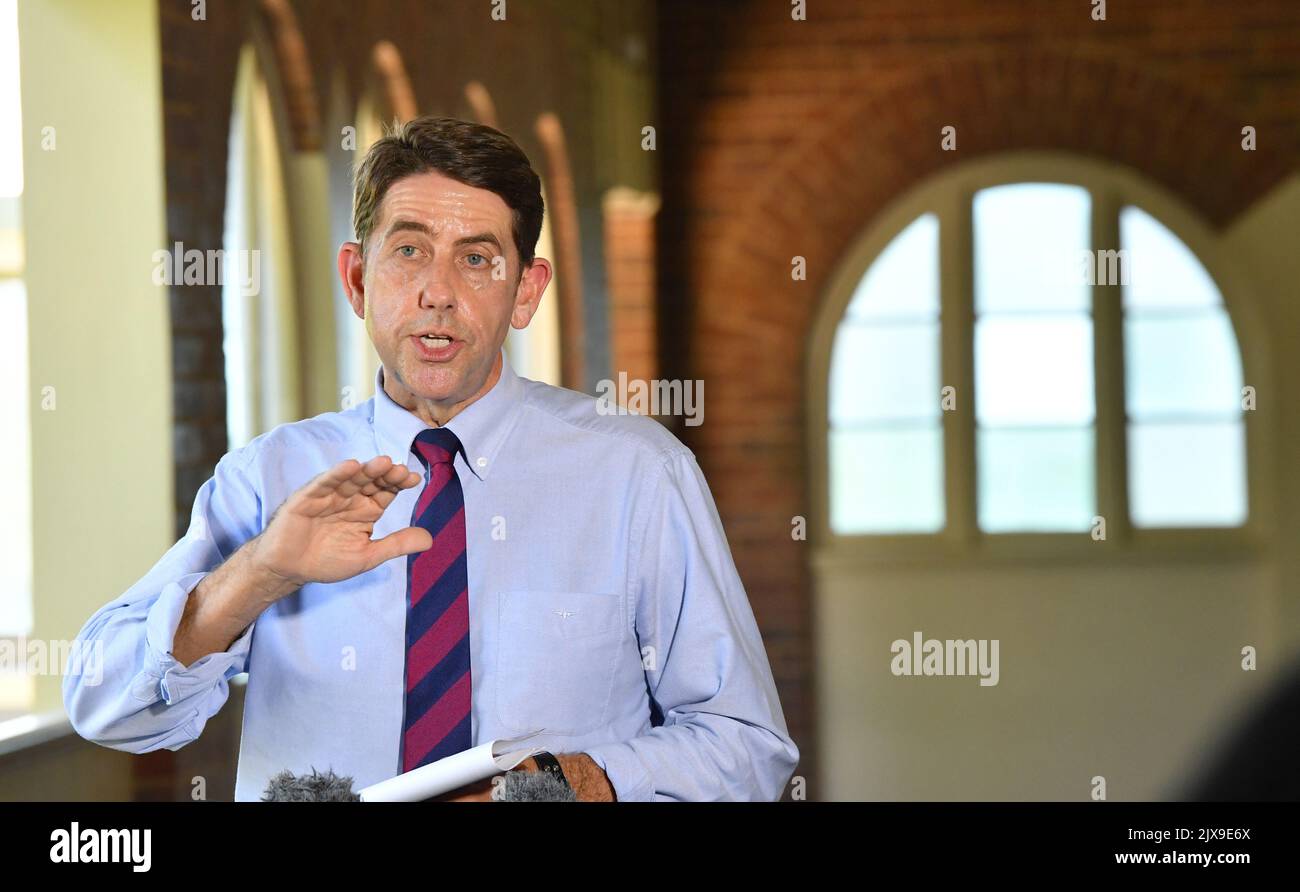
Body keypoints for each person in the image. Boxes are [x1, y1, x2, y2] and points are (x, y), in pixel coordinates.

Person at [64, 115, 799, 801]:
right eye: (408, 251)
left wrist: (569, 783)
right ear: (357, 279)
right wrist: (261, 573)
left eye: (477, 259)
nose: (437, 293)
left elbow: (748, 750)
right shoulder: (268, 478)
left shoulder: (639, 474)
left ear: (525, 292)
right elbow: (105, 708)